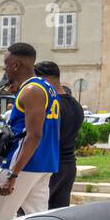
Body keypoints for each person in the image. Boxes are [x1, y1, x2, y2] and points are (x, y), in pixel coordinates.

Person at [0, 42, 60, 220]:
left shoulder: (31, 90)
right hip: (44, 163)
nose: (4, 69)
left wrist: (13, 174)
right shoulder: (47, 87)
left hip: (24, 164)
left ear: (15, 65)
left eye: (5, 64)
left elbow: (34, 135)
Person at [34, 60, 83, 210]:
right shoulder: (76, 105)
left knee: (32, 215)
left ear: (44, 80)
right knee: (57, 214)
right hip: (68, 165)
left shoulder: (51, 103)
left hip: (49, 166)